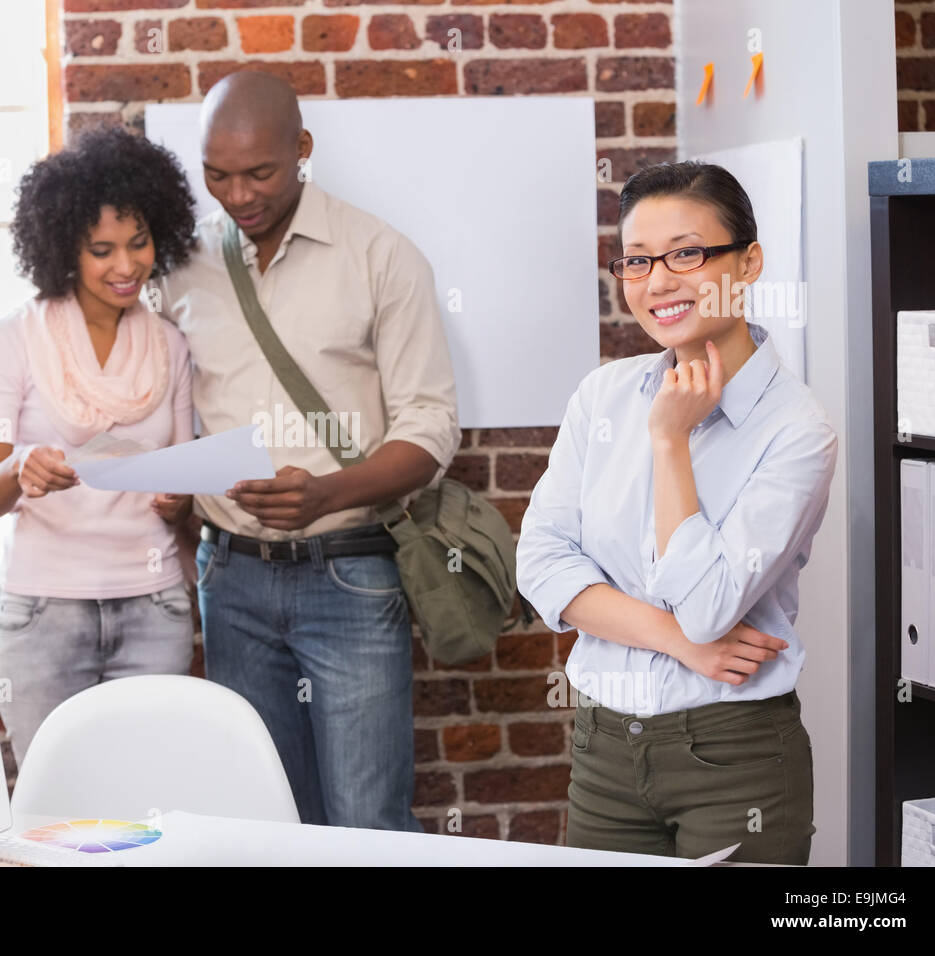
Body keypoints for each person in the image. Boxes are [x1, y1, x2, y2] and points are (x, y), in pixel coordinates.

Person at [156, 71, 461, 831]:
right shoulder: (180, 267)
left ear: (303, 149)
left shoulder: (381, 257)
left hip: (351, 574)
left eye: (259, 172)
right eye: (216, 175)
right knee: (266, 819)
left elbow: (430, 426)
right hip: (228, 579)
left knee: (367, 823)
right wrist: (173, 486)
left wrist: (329, 493)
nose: (238, 193)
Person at [515, 160, 836, 864]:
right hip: (603, 752)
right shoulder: (602, 397)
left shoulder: (797, 430)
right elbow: (540, 564)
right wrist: (678, 643)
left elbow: (709, 607)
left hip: (734, 755)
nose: (657, 282)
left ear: (748, 261)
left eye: (687, 254)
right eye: (636, 261)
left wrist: (669, 440)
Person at [0, 127, 200, 768]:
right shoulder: (12, 341)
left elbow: (183, 500)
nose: (126, 267)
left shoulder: (170, 348)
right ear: (66, 247)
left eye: (139, 243)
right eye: (102, 250)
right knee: (54, 815)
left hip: (155, 611)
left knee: (149, 806)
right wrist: (20, 469)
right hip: (43, 616)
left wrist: (180, 503)